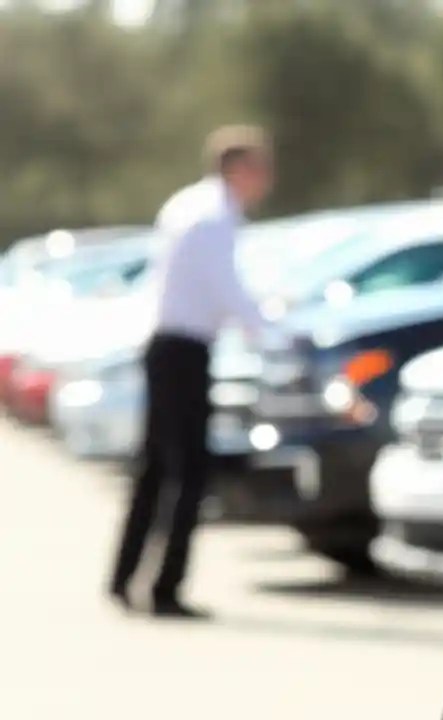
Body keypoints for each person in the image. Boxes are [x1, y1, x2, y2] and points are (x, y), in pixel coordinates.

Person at [108, 125, 275, 620]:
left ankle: (123, 577)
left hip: (167, 346)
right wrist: (270, 333)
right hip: (183, 350)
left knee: (156, 467)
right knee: (188, 470)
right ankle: (165, 587)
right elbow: (227, 289)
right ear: (238, 168)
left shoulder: (189, 205)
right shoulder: (213, 217)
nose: (266, 180)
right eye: (261, 168)